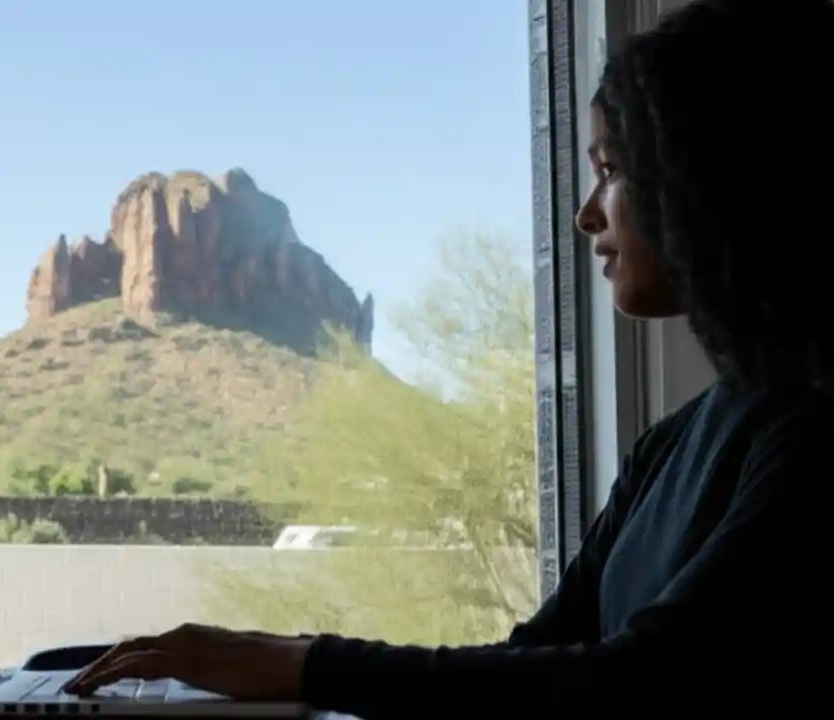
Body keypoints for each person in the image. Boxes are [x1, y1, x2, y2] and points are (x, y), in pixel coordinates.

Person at [64, 0, 834, 713]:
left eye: (609, 170)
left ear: (702, 171)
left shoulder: (819, 429)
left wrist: (299, 664)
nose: (584, 213)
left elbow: (636, 679)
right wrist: (280, 664)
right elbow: (540, 656)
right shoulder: (676, 441)